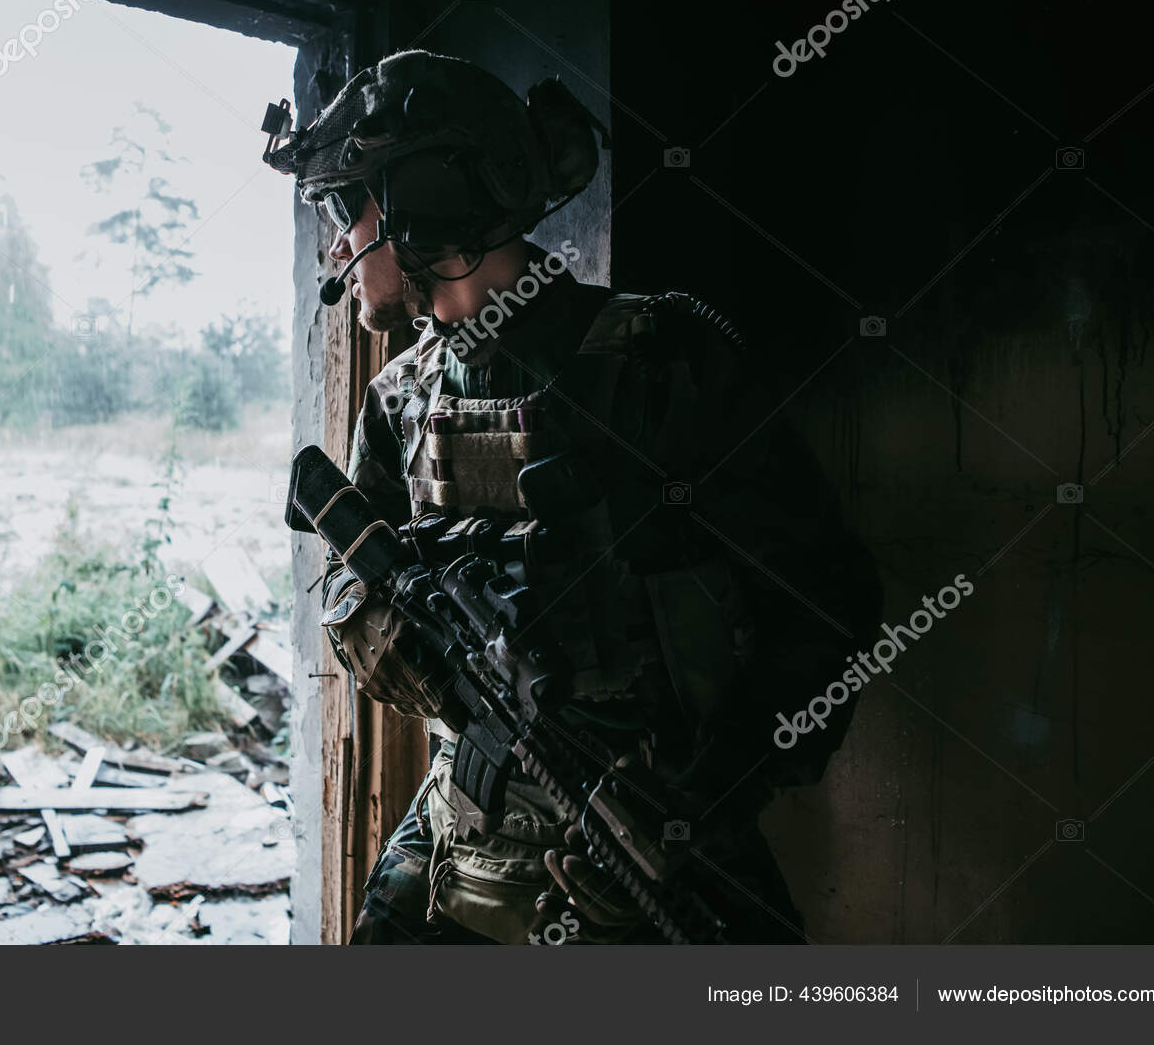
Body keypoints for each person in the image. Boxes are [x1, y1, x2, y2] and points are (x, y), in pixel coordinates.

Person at [262, 49, 881, 944]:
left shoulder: (659, 363)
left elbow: (828, 602)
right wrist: (396, 637)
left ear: (418, 202)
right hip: (462, 818)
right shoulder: (399, 399)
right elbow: (350, 580)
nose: (335, 246)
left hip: (643, 839)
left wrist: (700, 803)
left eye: (343, 210)